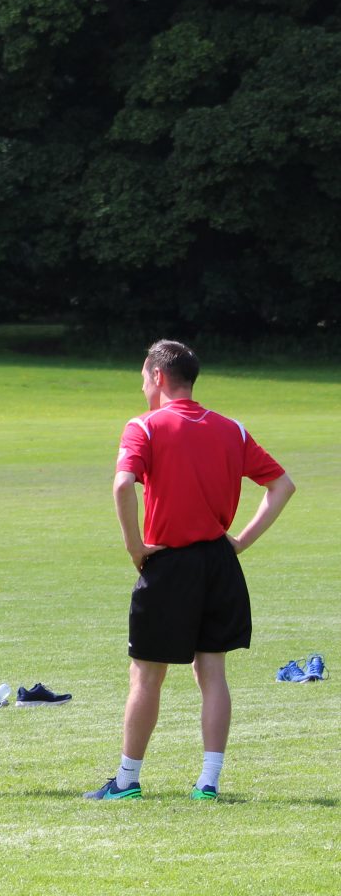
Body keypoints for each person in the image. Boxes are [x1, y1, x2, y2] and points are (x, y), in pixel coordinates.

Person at [87, 340, 295, 801]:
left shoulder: (144, 426)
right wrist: (240, 540)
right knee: (213, 673)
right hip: (218, 564)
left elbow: (123, 484)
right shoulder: (231, 429)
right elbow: (282, 485)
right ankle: (208, 782)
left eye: (143, 377)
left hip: (169, 563)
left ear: (158, 377)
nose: (142, 386)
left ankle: (126, 780)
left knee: (146, 675)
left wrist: (134, 546)